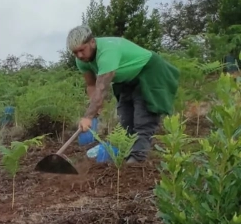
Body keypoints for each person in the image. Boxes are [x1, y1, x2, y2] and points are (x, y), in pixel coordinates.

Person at [67, 25, 180, 164]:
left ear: (92, 42)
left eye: (81, 50)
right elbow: (91, 85)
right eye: (75, 52)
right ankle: (126, 154)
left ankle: (137, 160)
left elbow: (101, 87)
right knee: (125, 119)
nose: (79, 55)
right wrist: (96, 108)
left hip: (149, 73)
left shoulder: (107, 52)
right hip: (126, 79)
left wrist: (88, 116)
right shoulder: (81, 60)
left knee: (143, 119)